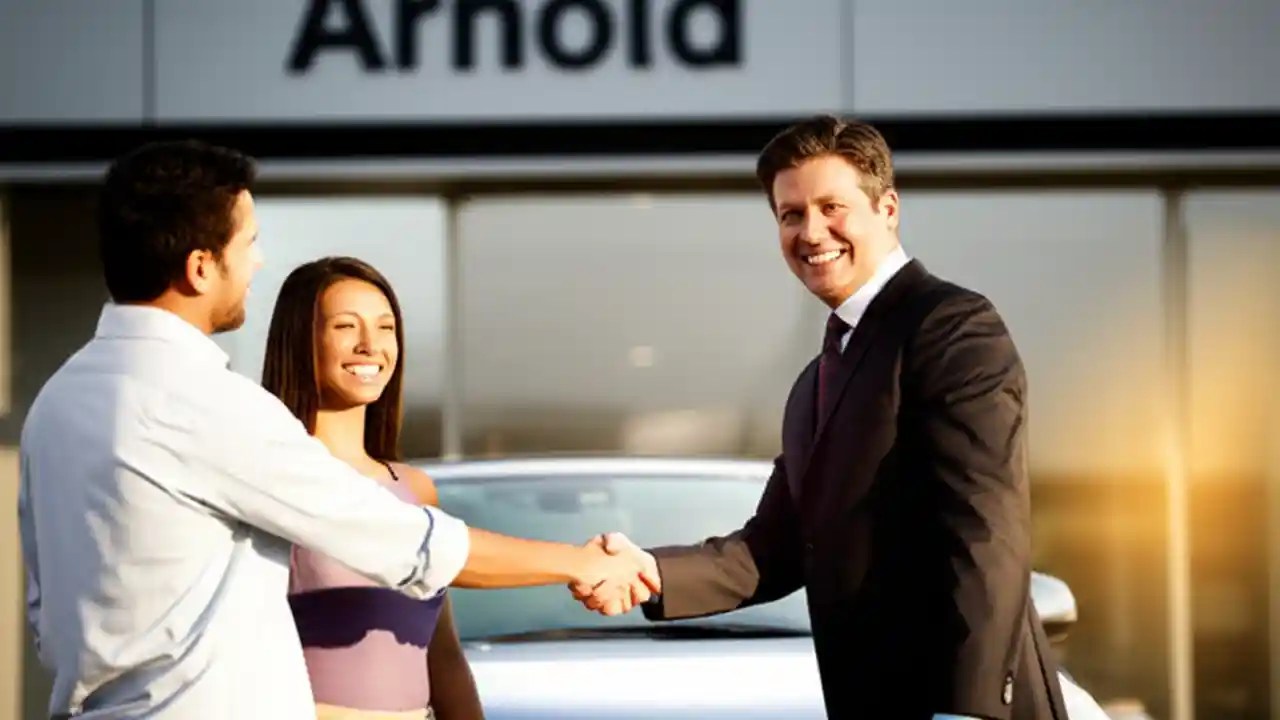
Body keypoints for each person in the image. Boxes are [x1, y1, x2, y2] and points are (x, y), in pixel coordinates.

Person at [16, 140, 652, 720]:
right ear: (201, 267)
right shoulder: (208, 404)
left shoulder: (54, 406)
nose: (259, 261)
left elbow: (44, 612)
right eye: (249, 242)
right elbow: (397, 539)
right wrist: (576, 562)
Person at [575, 116, 1070, 719]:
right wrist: (651, 571)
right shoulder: (815, 381)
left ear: (888, 209)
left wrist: (969, 709)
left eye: (832, 207)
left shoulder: (950, 328)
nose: (811, 232)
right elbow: (773, 549)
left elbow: (985, 529)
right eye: (791, 215)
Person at [261, 256, 482, 720]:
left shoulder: (415, 488)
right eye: (346, 326)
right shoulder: (272, 482)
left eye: (385, 328)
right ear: (300, 339)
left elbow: (443, 657)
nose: (370, 345)